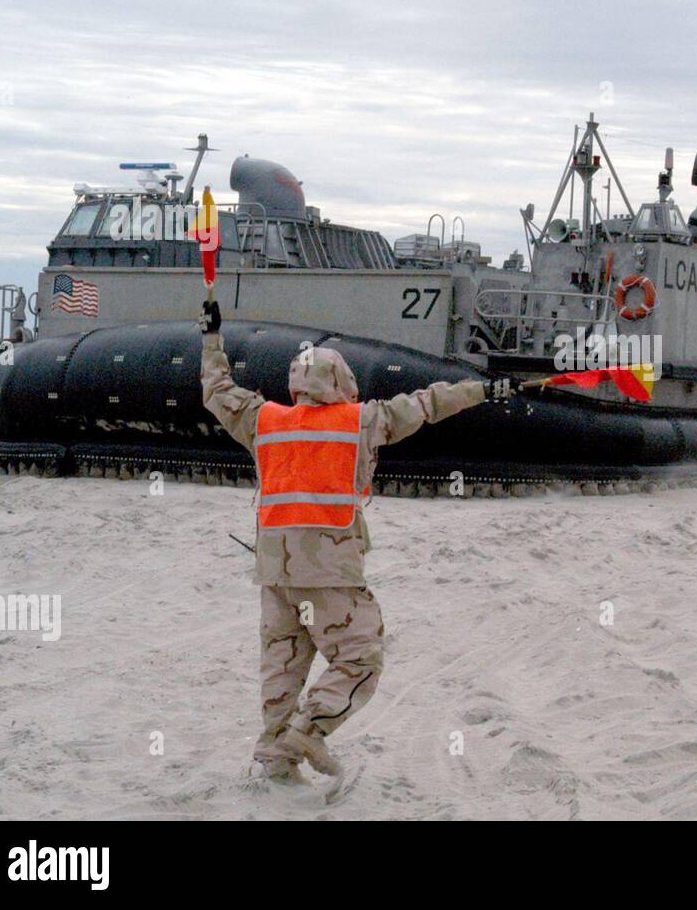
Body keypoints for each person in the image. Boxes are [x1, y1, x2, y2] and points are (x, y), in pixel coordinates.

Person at [198, 299, 515, 785]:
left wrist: (211, 339)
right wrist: (482, 391)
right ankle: (311, 729)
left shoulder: (263, 420)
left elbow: (216, 390)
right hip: (328, 569)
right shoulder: (363, 421)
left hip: (274, 570)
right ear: (339, 382)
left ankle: (277, 758)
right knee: (360, 655)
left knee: (282, 664)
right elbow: (428, 404)